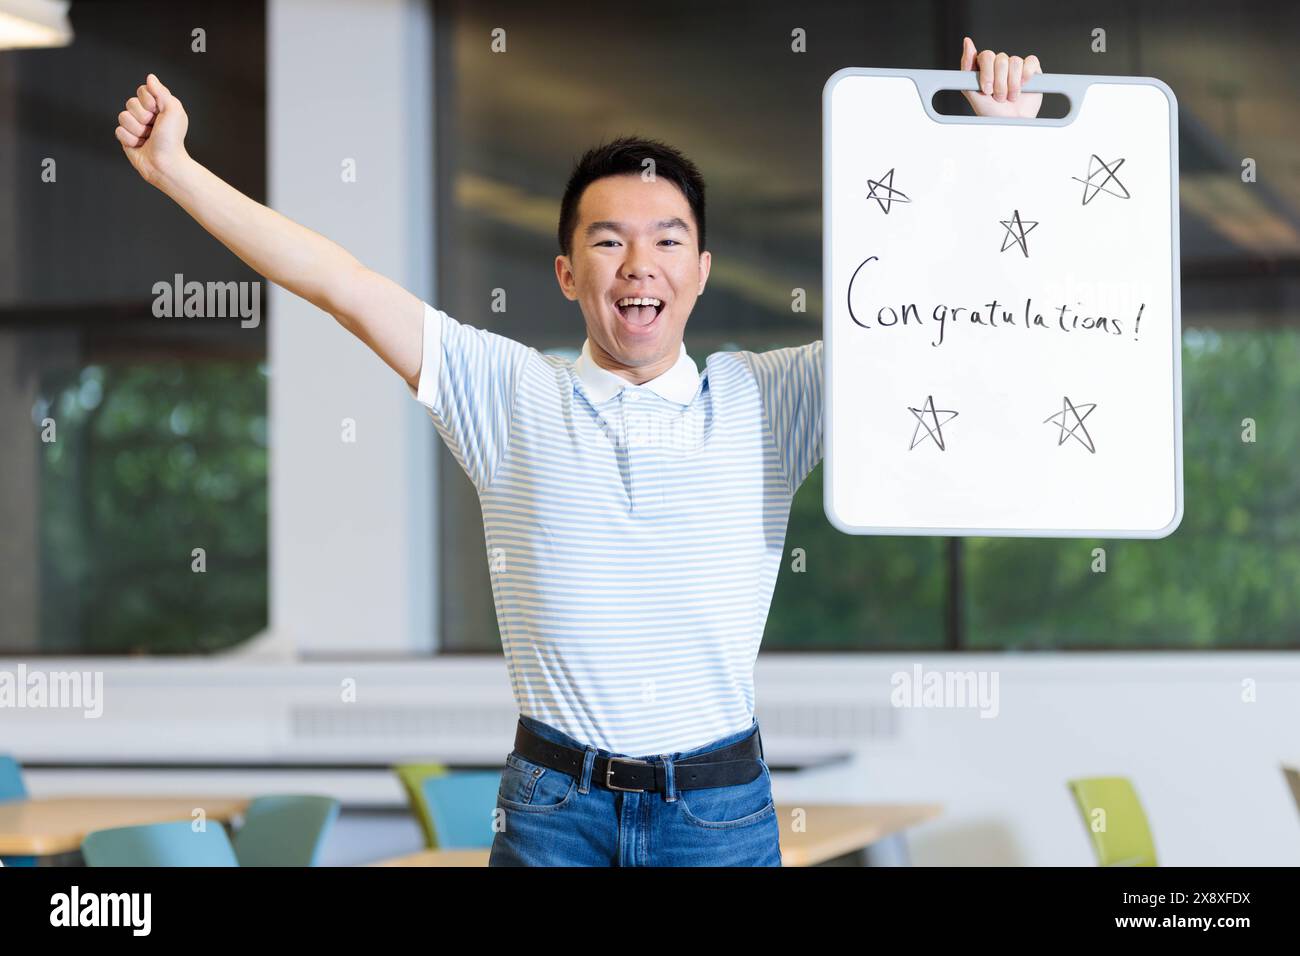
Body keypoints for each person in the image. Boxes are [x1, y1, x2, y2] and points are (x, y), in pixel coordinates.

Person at [114, 37, 1042, 867]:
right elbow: (342, 285)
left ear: (701, 272)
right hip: (554, 811)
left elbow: (935, 319)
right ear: (567, 272)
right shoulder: (508, 391)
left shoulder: (772, 397)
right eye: (610, 241)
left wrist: (999, 149)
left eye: (668, 241)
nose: (640, 263)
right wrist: (178, 171)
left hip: (718, 812)